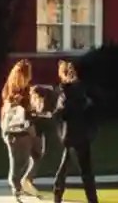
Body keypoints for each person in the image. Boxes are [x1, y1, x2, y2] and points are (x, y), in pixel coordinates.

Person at [51, 60, 99, 203]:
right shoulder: (82, 93)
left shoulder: (64, 94)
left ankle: (57, 195)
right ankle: (92, 199)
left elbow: (61, 114)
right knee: (86, 171)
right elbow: (90, 111)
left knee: (64, 168)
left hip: (69, 135)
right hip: (83, 135)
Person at [0, 59, 43, 201]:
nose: (29, 77)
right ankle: (16, 187)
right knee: (19, 161)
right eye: (27, 74)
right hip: (15, 131)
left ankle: (25, 180)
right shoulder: (12, 92)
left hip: (25, 128)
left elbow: (29, 111)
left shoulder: (25, 90)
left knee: (37, 154)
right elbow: (13, 112)